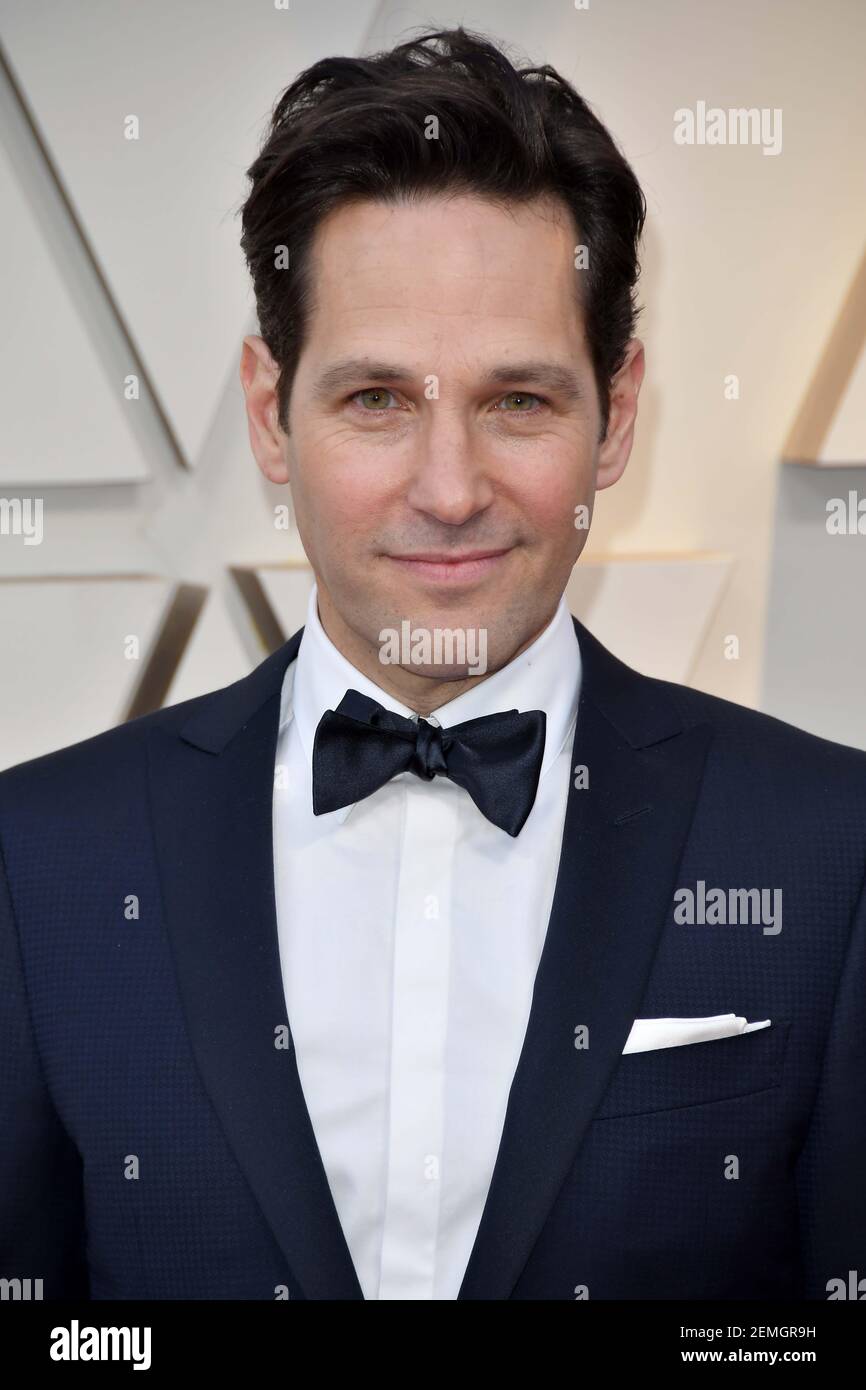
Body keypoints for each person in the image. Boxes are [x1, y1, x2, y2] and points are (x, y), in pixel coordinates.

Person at [1, 26, 864, 1302]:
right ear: (268, 414)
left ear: (614, 414)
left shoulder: (827, 846)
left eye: (517, 400)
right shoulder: (40, 859)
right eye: (375, 401)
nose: (449, 490)